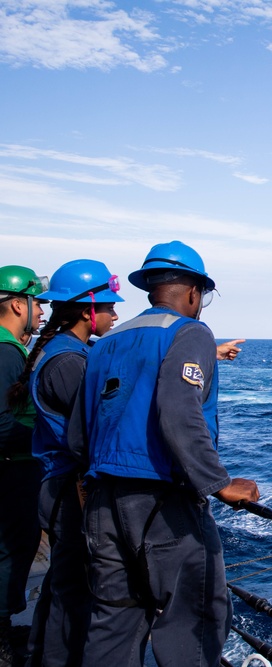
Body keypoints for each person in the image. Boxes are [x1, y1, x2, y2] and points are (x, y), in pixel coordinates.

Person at [68, 241, 259, 666]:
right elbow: (179, 411)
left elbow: (79, 436)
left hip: (103, 502)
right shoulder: (190, 332)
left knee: (113, 621)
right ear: (194, 292)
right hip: (163, 505)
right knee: (192, 620)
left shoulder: (104, 343)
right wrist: (220, 484)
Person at [4, 260, 122, 667]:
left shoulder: (64, 351)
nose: (114, 313)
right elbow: (91, 430)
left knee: (61, 583)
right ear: (88, 309)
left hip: (54, 484)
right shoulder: (69, 363)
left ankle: (40, 653)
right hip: (66, 488)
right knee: (74, 588)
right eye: (108, 306)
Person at [0, 266, 48, 666]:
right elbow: (3, 424)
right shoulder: (4, 353)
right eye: (39, 302)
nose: (43, 310)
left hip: (15, 467)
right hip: (12, 470)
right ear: (19, 303)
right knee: (10, 552)